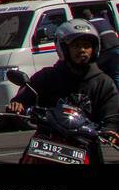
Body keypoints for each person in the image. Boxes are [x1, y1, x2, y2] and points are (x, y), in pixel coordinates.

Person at [7, 18, 119, 163]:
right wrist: (18, 104)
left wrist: (110, 130)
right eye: (77, 46)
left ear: (95, 49)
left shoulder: (103, 82)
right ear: (63, 48)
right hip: (47, 141)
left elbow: (113, 115)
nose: (82, 50)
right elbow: (25, 96)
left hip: (84, 144)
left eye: (87, 46)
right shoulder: (47, 76)